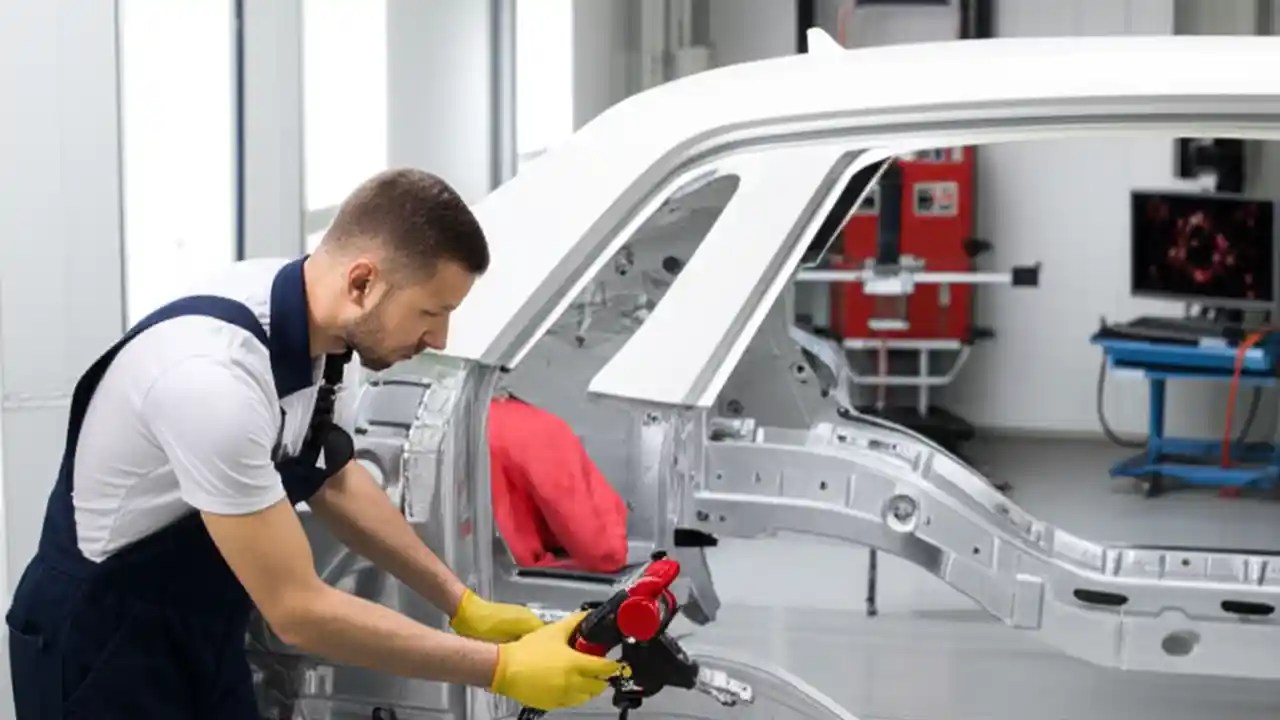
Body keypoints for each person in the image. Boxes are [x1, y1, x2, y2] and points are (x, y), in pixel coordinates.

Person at [4, 168, 621, 718]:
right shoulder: (209, 380)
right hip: (98, 644)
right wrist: (500, 669)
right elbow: (296, 610)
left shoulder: (326, 335)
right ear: (362, 283)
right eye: (432, 312)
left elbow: (334, 478)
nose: (439, 338)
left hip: (200, 628)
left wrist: (462, 604)